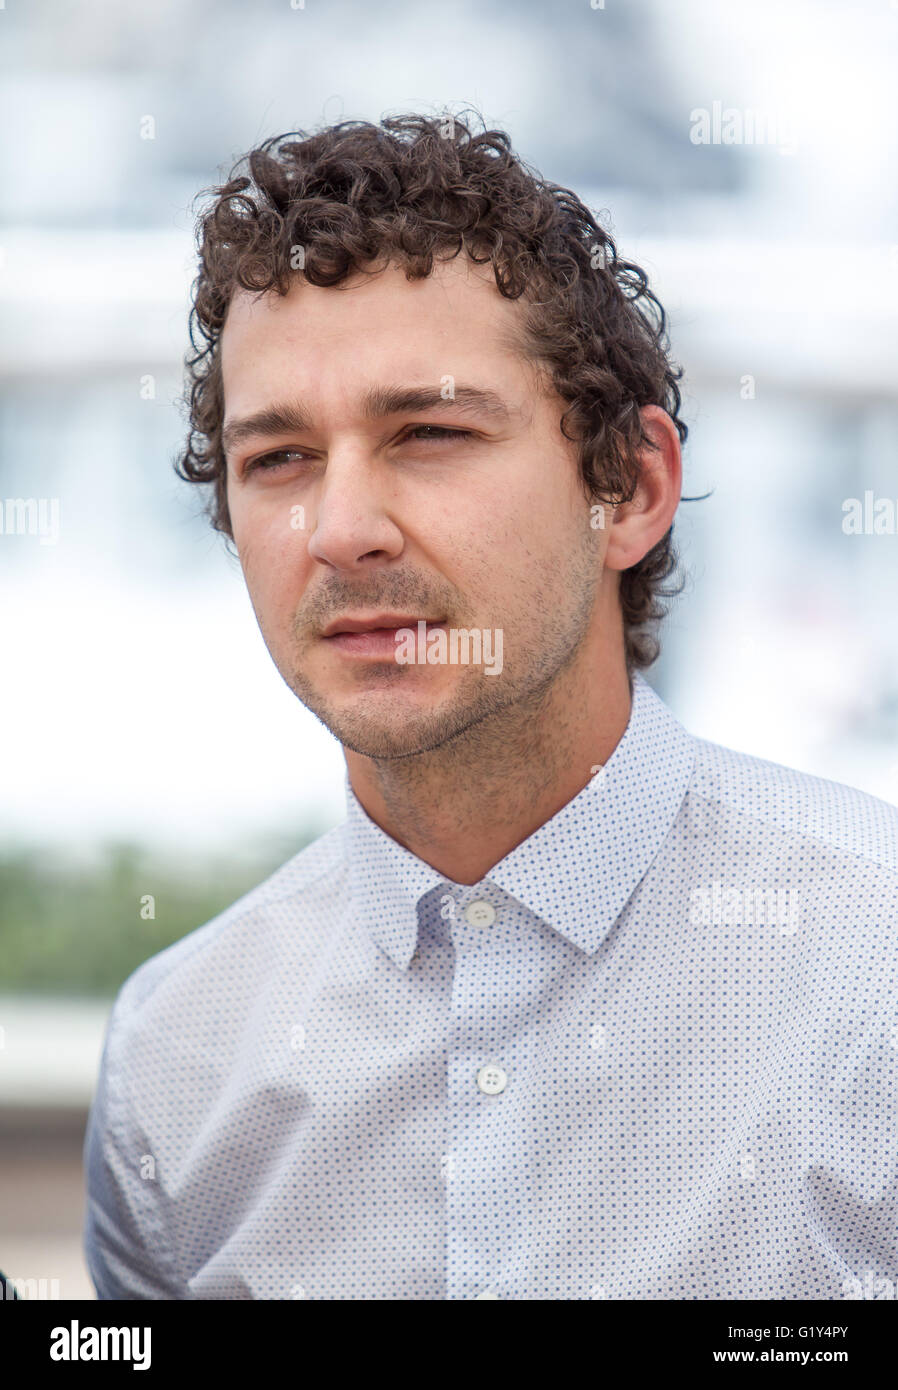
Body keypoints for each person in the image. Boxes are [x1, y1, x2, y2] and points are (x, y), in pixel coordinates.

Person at [83, 111, 898, 1300]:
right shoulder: (176, 1061)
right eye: (280, 459)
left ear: (627, 489)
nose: (343, 531)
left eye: (429, 433)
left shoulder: (874, 970)